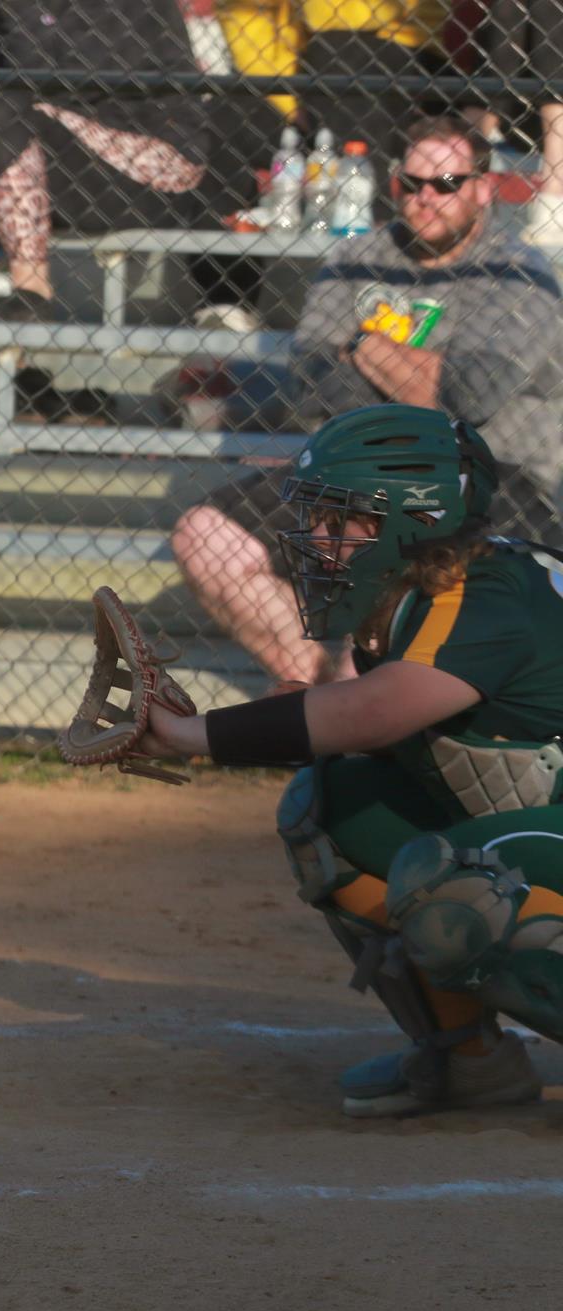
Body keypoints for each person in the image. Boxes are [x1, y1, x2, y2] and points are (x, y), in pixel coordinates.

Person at [146, 404, 563, 1117]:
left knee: (455, 885)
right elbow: (367, 734)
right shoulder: (415, 594)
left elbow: (371, 711)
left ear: (410, 521)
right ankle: (470, 1062)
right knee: (332, 810)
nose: (313, 538)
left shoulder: (487, 596)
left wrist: (192, 735)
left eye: (339, 520)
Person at [172, 114, 563, 686]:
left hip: (496, 476)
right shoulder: (354, 259)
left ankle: (364, 713)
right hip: (363, 470)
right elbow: (316, 382)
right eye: (412, 184)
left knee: (401, 599)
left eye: (447, 184)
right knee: (206, 538)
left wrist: (363, 346)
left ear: (482, 188)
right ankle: (321, 696)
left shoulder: (517, 273)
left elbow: (471, 397)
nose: (426, 198)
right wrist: (419, 379)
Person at [0, 0, 272, 323]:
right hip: (46, 162)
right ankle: (27, 385)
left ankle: (31, 288)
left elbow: (78, 80)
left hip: (145, 162)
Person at [218, 0, 460, 220]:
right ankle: (209, 259)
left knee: (343, 53)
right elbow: (244, 21)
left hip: (408, 48)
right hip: (301, 68)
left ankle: (374, 226)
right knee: (219, 121)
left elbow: (351, 17)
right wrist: (292, 101)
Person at [480, 0, 563, 245]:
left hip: (539, 100)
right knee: (510, 8)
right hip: (517, 101)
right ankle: (482, 125)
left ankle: (554, 200)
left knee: (547, 9)